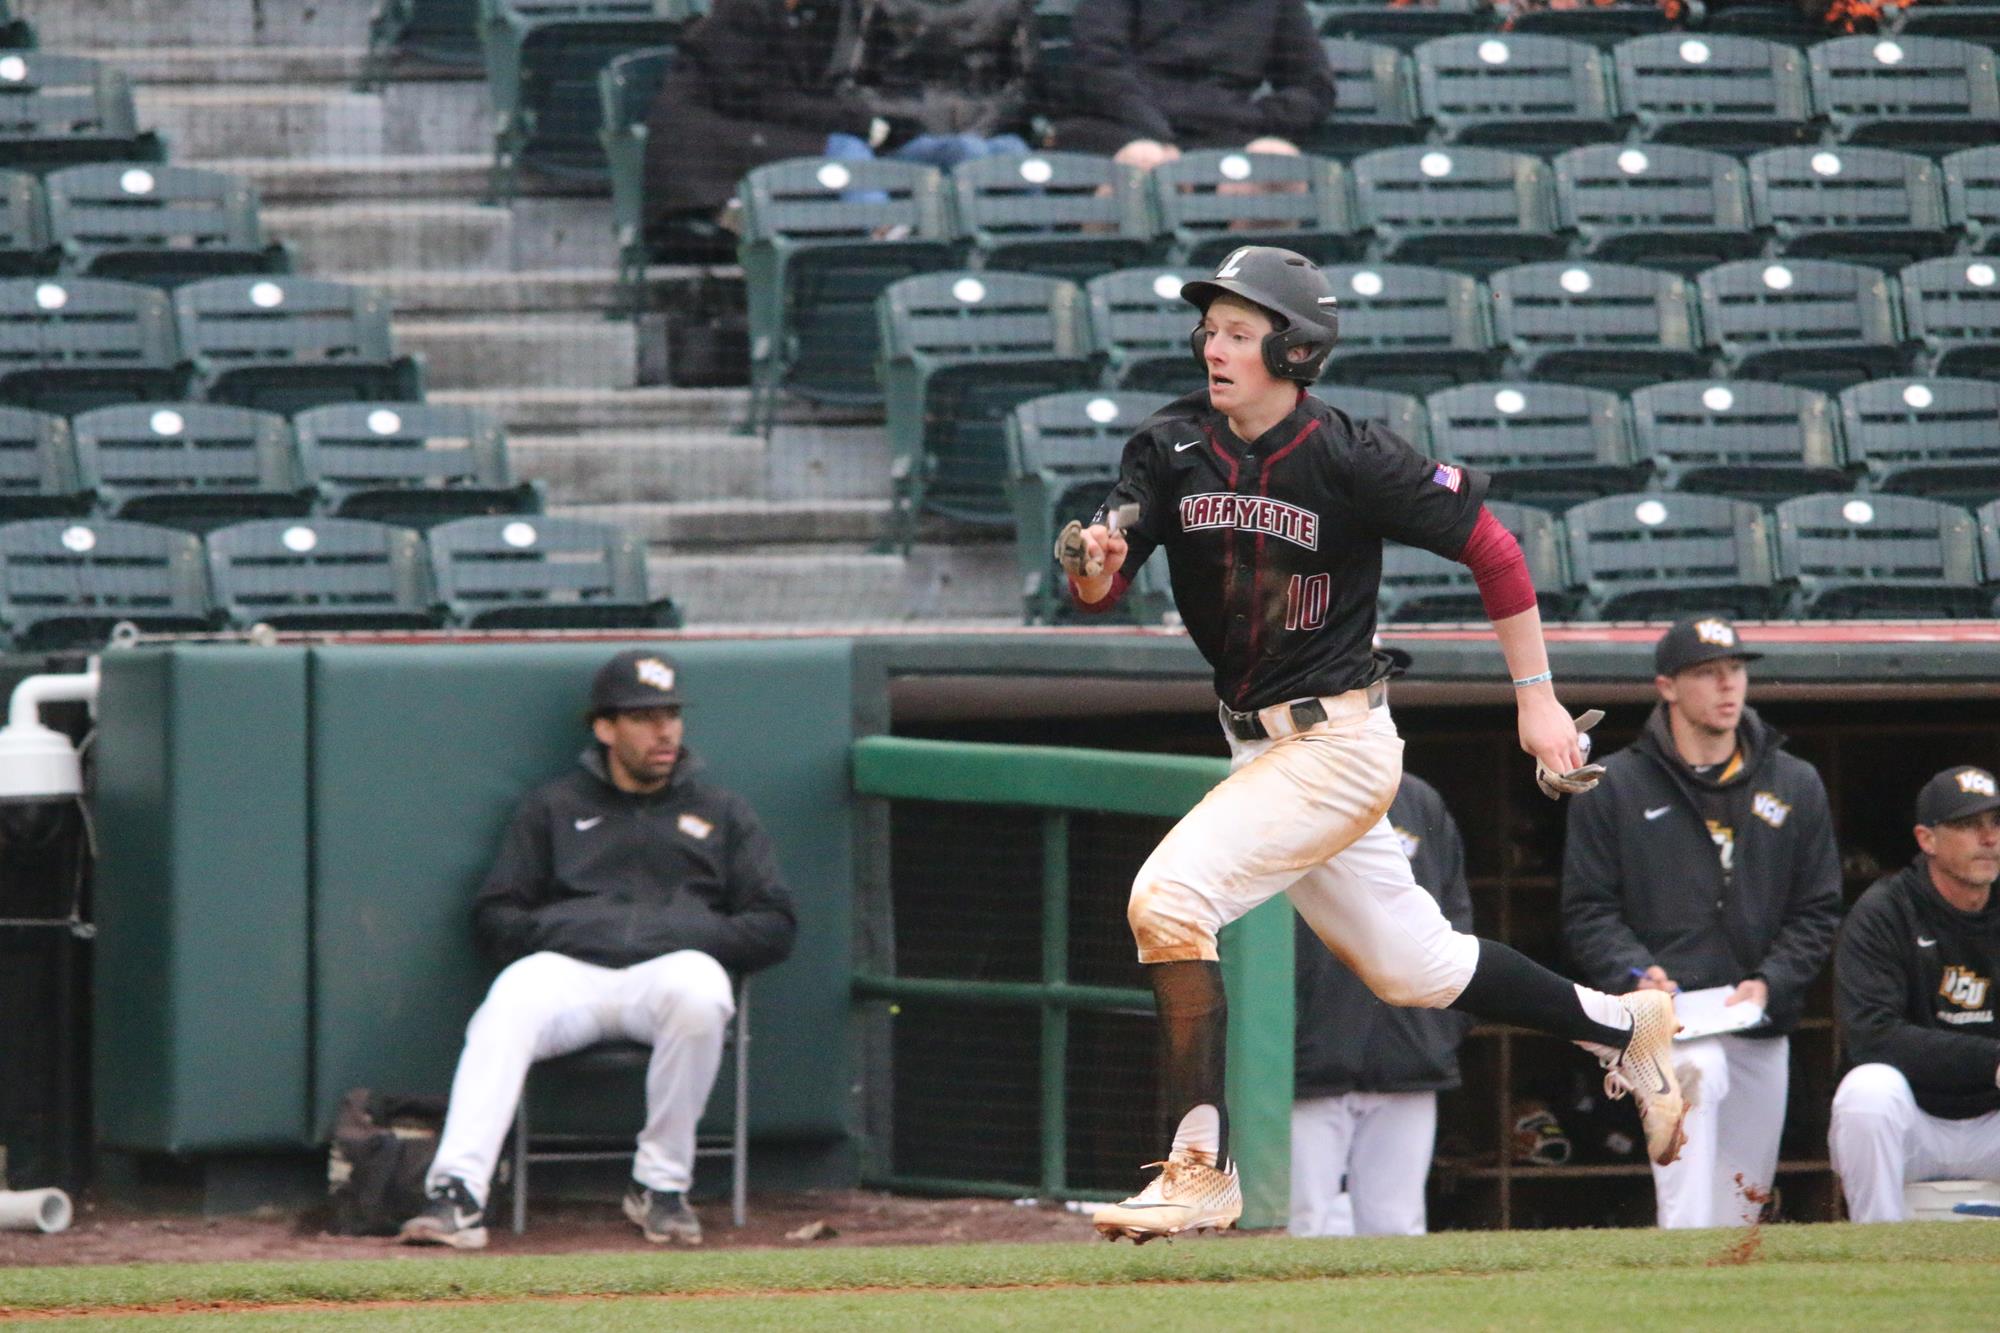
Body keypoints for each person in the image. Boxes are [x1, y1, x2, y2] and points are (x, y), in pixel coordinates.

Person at [1060, 244, 1687, 1244]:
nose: (1211, 345)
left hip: (1336, 743)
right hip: (1254, 747)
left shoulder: (1349, 452)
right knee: (1414, 967)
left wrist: (1535, 699)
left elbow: (1493, 547)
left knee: (1168, 901)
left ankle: (1195, 1166)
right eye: (1208, 327)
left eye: (1235, 329)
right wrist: (1090, 561)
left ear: (1293, 347)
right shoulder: (1170, 444)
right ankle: (1626, 1027)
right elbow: (1100, 578)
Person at [399, 651, 798, 1250]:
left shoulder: (721, 813)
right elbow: (494, 916)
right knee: (508, 1001)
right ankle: (457, 1193)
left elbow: (774, 925)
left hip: (666, 975)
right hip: (571, 975)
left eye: (672, 716)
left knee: (702, 990)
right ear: (605, 728)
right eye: (644, 718)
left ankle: (660, 1187)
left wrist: (683, 934)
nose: (664, 732)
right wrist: (575, 931)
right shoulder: (553, 807)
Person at [1560, 617, 1842, 1229]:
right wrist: (1639, 974)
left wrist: (1772, 981)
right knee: (1697, 1088)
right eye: (1708, 673)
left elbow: (1817, 909)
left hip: (1757, 1013)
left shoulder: (1795, 781)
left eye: (1736, 670)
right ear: (1667, 685)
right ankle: (1680, 1257)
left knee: (1744, 1197)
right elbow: (1588, 910)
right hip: (1672, 1017)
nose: (1728, 686)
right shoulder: (1616, 784)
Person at [644, 0, 1036, 237]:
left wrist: (889, 126)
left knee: (985, 150)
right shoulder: (742, 10)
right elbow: (756, 98)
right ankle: (884, 240)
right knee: (846, 148)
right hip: (722, 148)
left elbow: (832, 91)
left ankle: (1030, 248)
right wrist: (867, 126)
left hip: (824, 134)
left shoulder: (823, 14)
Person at [1292, 758, 1474, 1238]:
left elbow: (1455, 919)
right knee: (1297, 1224)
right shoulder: (1276, 795)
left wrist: (1441, 1029)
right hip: (1304, 1064)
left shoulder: (1417, 800)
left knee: (1397, 1230)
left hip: (1408, 1055)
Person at [1830, 766, 2000, 1223]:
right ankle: (1879, 1252)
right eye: (1967, 825)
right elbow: (1873, 1037)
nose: (1988, 838)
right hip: (1913, 1126)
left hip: (1992, 1124)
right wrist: (1992, 1061)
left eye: (1995, 823)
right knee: (1867, 1091)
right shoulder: (1885, 911)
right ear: (1927, 840)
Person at [1049, 0, 1336, 171]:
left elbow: (1314, 87)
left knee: (1276, 163)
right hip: (1122, 123)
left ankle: (1236, 270)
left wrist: (1253, 118)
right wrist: (1159, 133)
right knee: (1144, 160)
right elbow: (1097, 65)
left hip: (1221, 128)